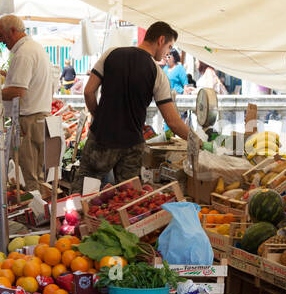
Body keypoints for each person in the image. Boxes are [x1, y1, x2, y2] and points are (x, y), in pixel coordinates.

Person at [73, 21, 196, 191]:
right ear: (161, 40)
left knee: (83, 192)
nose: (168, 53)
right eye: (169, 46)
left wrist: (100, 118)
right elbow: (173, 123)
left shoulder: (111, 54)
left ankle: (75, 217)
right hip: (131, 145)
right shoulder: (157, 73)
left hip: (101, 139)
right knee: (129, 199)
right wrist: (197, 141)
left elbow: (88, 92)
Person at [0, 15, 60, 189]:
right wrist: (8, 75)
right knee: (36, 173)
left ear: (12, 31)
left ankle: (35, 214)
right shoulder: (35, 48)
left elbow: (17, 91)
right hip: (39, 119)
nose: (0, 40)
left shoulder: (24, 53)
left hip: (29, 121)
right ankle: (38, 208)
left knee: (30, 176)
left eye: (1, 35)